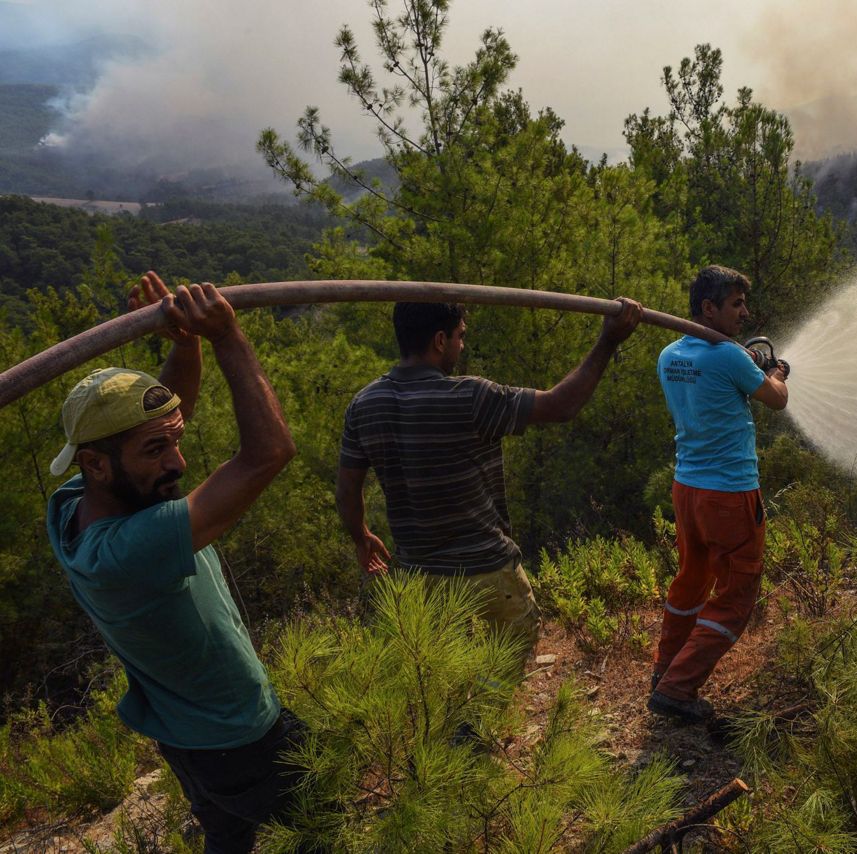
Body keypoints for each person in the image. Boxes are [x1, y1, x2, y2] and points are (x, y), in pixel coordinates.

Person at [46, 273, 303, 854]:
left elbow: (161, 418)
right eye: (157, 451)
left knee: (228, 837)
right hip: (239, 737)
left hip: (188, 737)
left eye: (174, 442)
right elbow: (270, 452)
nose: (178, 464)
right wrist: (227, 337)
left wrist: (184, 346)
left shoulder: (70, 505)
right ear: (96, 463)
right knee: (318, 829)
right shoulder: (129, 550)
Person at [336, 298, 644, 649]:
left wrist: (361, 537)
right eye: (460, 336)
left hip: (416, 577)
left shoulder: (364, 405)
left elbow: (347, 493)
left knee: (436, 681)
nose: (462, 345)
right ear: (440, 340)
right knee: (511, 653)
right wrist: (609, 340)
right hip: (488, 571)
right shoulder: (471, 396)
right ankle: (492, 704)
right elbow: (562, 405)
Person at [650, 265, 789, 723]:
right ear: (708, 309)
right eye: (735, 304)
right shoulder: (730, 357)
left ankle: (664, 669)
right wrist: (778, 371)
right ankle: (677, 687)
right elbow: (776, 399)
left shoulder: (669, 355)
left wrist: (751, 366)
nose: (744, 313)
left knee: (690, 581)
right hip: (729, 494)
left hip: (687, 489)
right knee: (735, 595)